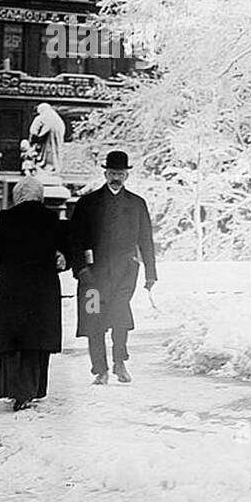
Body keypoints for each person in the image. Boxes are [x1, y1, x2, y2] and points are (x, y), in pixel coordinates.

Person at [67, 151, 157, 385]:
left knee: (120, 316)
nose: (116, 177)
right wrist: (80, 270)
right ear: (105, 173)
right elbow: (74, 239)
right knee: (93, 318)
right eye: (112, 173)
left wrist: (150, 273)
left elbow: (146, 239)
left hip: (125, 274)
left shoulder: (137, 204)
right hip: (92, 277)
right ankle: (100, 369)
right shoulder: (88, 203)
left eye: (121, 173)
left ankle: (119, 362)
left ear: (126, 175)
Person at [0, 177, 64, 411]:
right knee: (36, 341)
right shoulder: (54, 224)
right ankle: (31, 390)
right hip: (42, 291)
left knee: (11, 341)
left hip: (11, 291)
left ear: (16, 198)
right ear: (40, 198)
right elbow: (64, 256)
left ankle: (12, 390)